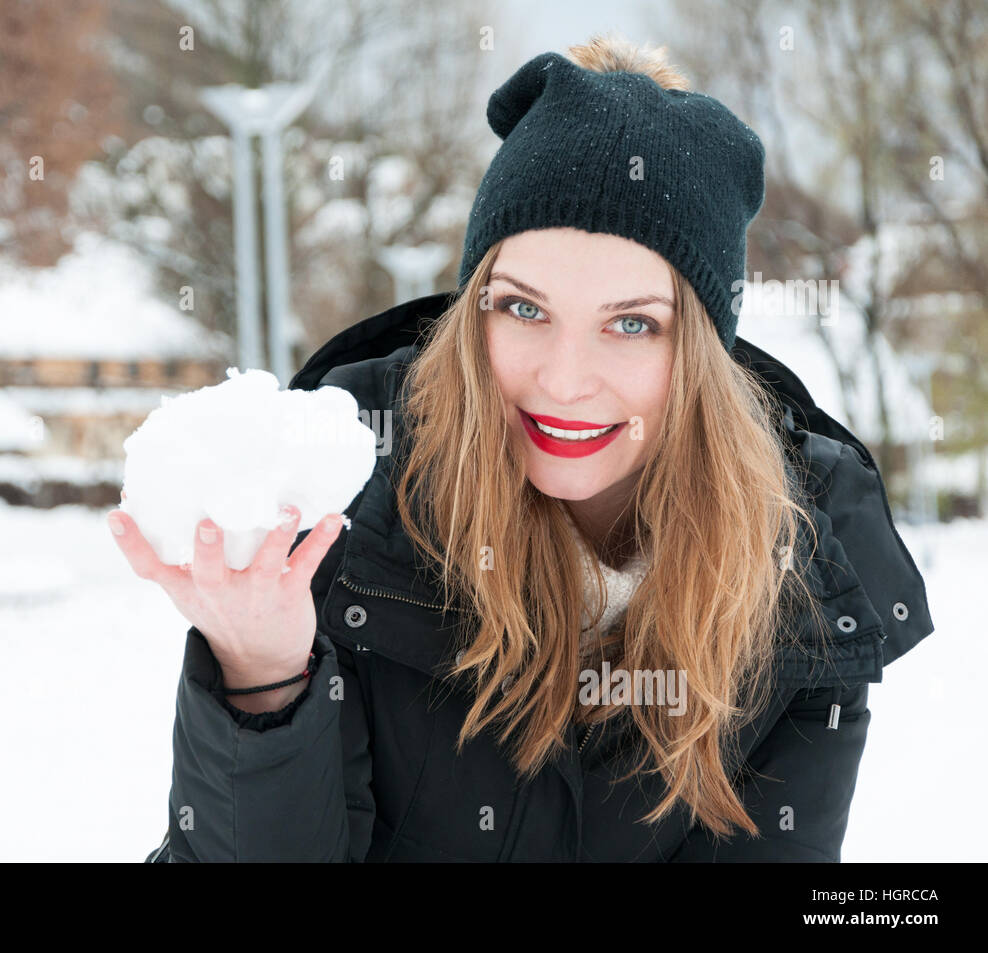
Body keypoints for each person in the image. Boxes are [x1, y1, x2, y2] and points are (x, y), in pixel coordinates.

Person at [109, 35, 936, 862]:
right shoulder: (346, 511)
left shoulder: (805, 580)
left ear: (704, 364)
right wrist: (262, 679)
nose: (564, 381)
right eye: (525, 310)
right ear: (475, 312)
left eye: (633, 323)